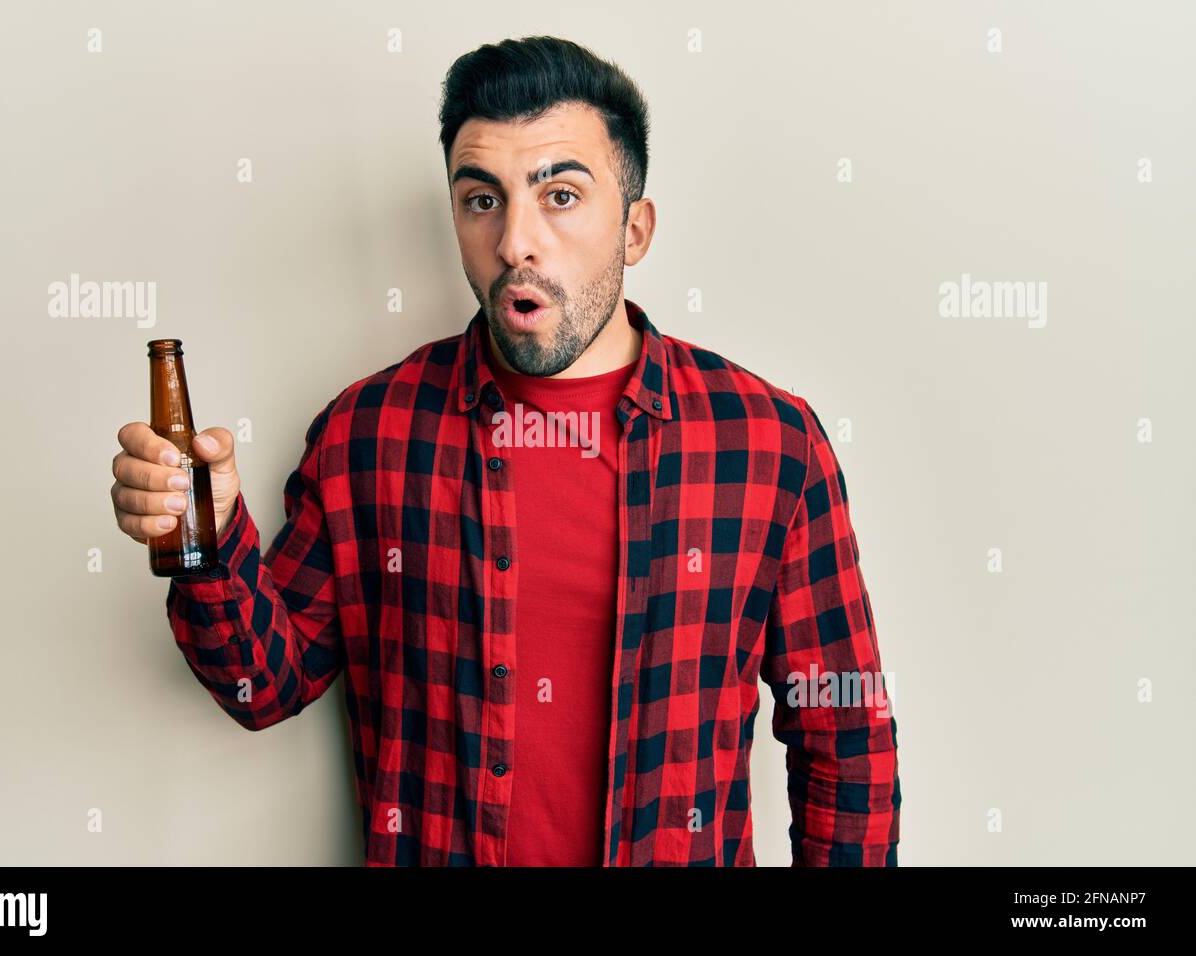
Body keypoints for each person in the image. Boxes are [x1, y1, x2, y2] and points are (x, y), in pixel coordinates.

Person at [109, 35, 900, 867]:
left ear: (635, 229)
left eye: (560, 194)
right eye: (481, 199)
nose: (517, 241)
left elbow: (845, 739)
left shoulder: (768, 445)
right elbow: (261, 686)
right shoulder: (368, 435)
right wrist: (208, 536)